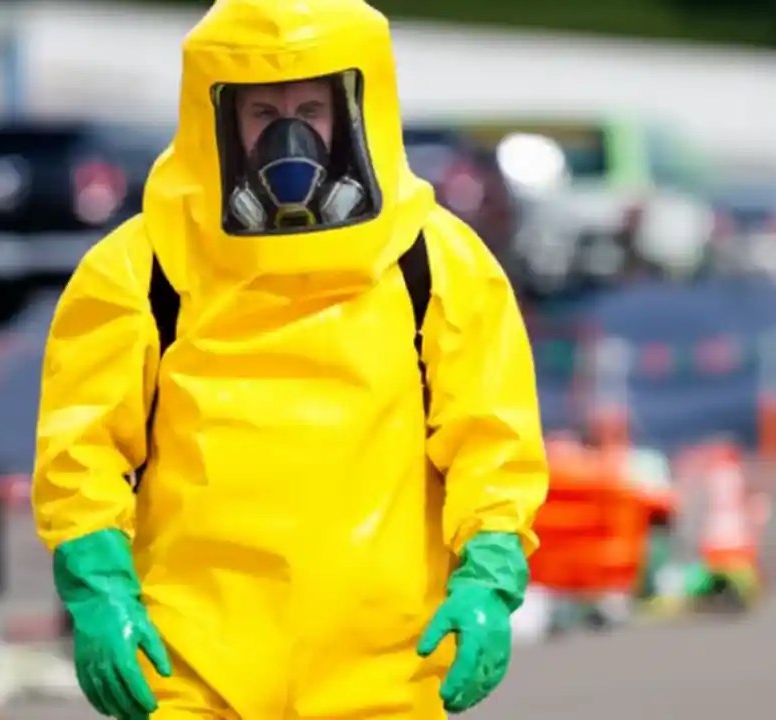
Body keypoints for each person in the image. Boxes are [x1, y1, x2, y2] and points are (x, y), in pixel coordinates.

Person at [32, 0, 549, 717]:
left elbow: (493, 443)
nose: (289, 136)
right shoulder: (141, 267)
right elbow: (81, 450)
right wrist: (99, 591)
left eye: (311, 106)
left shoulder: (434, 262)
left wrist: (488, 579)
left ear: (351, 111)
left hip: (388, 672)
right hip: (191, 671)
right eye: (262, 112)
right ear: (218, 118)